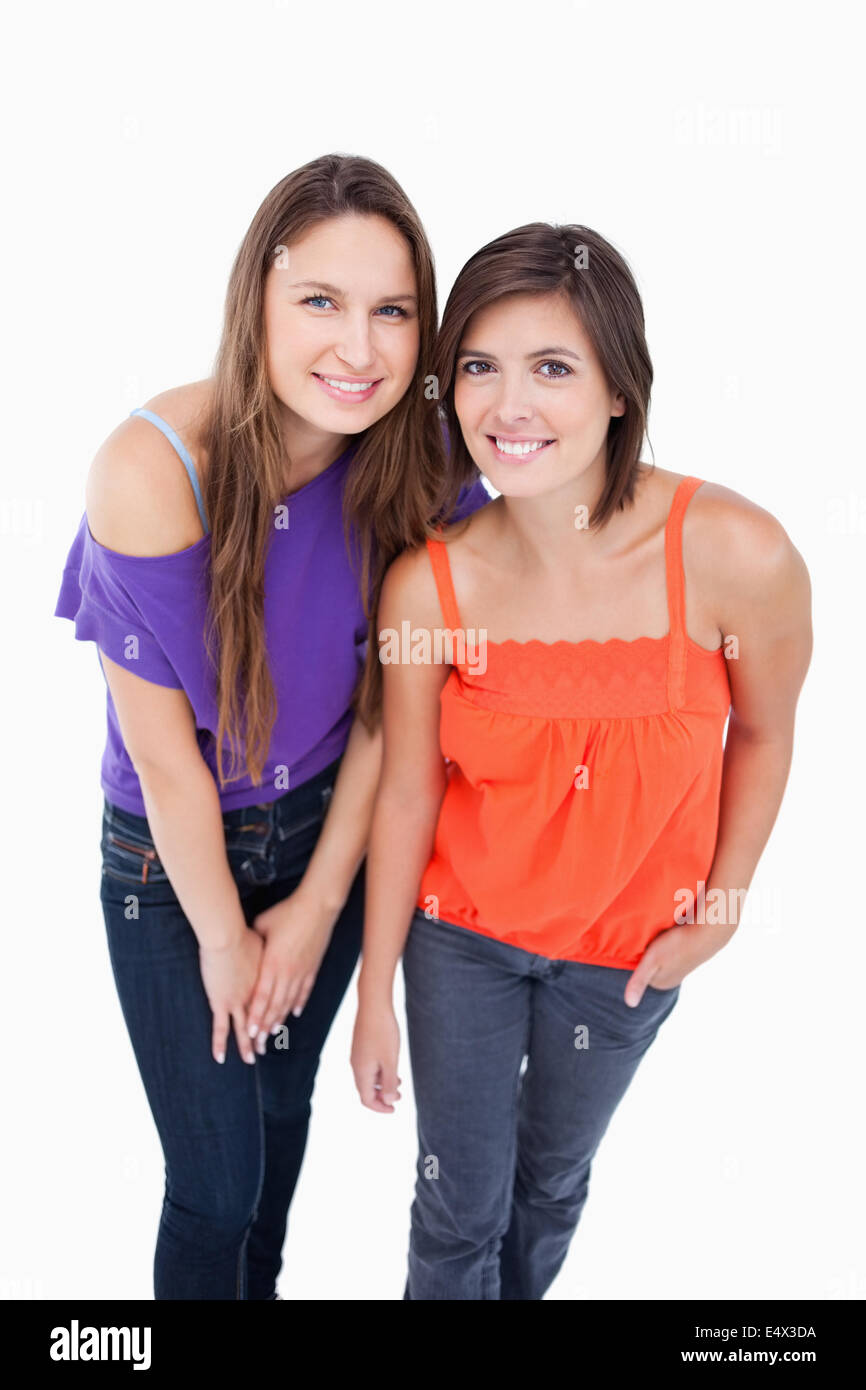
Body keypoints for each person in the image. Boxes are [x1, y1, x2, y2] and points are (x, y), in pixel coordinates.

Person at [53, 153, 488, 1300]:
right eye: (319, 303)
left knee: (280, 1118)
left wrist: (314, 908)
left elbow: (393, 719)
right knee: (213, 1180)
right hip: (168, 856)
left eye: (392, 311)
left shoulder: (426, 458)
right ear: (256, 299)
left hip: (322, 824)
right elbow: (163, 759)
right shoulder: (152, 470)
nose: (358, 348)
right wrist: (228, 938)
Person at [351, 221, 812, 1300]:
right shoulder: (428, 583)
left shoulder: (735, 554)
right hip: (457, 941)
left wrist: (725, 903)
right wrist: (376, 986)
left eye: (551, 368)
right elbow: (409, 788)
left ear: (617, 389)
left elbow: (764, 728)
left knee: (550, 1183)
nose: (507, 408)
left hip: (625, 950)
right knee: (454, 1206)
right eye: (477, 367)